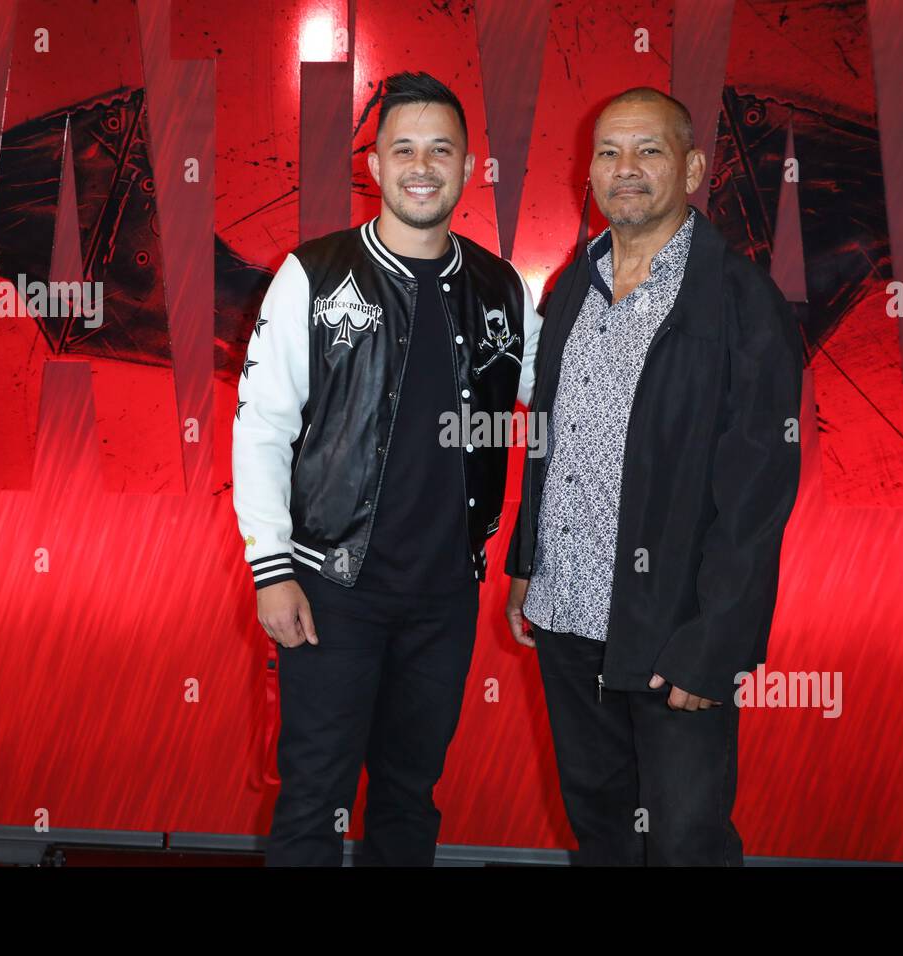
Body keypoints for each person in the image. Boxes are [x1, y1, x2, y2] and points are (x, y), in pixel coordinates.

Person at [233, 71, 541, 866]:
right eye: (403, 147)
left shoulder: (502, 288)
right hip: (330, 587)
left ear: (469, 167)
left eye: (442, 149)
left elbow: (550, 417)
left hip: (444, 596)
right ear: (374, 166)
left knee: (410, 796)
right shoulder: (312, 275)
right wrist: (272, 570)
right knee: (313, 795)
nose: (422, 165)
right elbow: (261, 428)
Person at [504, 87, 803, 866]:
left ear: (694, 167)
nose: (624, 169)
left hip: (673, 627)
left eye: (648, 151)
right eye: (608, 152)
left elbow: (757, 493)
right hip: (568, 616)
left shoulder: (740, 301)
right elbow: (551, 443)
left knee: (684, 843)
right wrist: (528, 565)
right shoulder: (571, 287)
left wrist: (717, 642)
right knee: (602, 833)